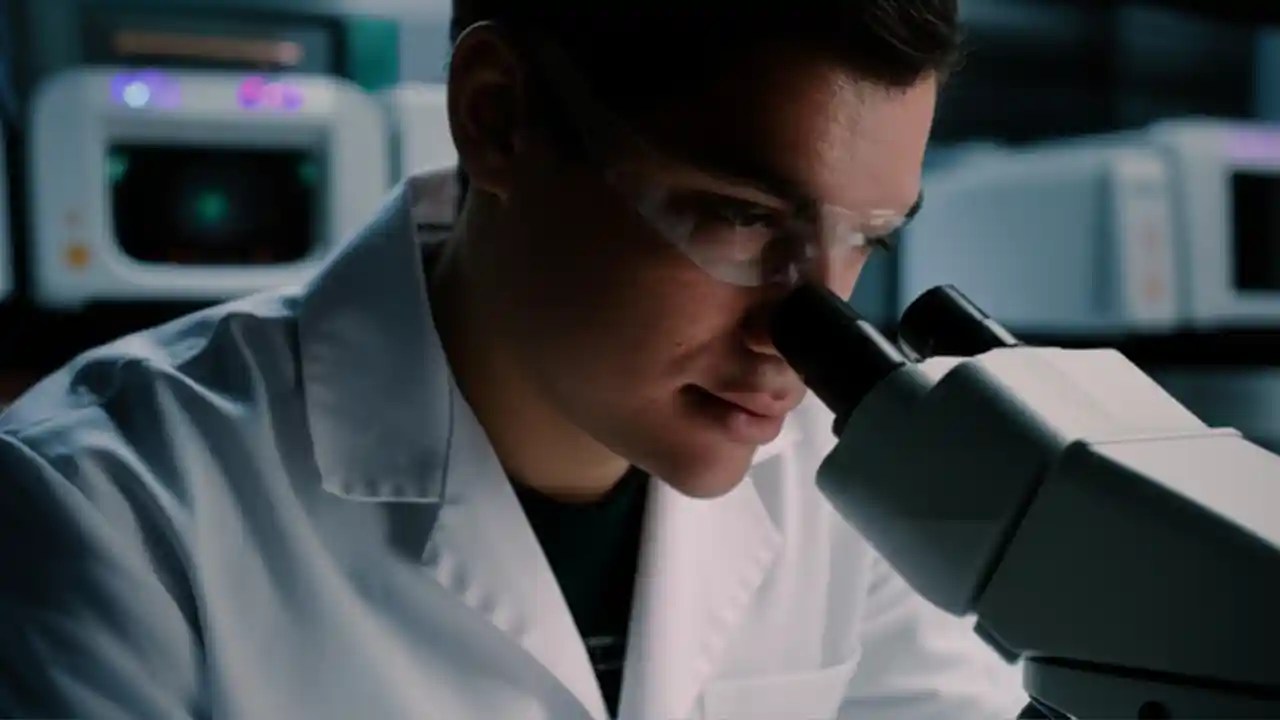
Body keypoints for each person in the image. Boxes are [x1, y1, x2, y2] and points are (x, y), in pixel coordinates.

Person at [0, 2, 1031, 718]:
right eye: (739, 217)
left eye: (867, 238)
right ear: (496, 119)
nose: (795, 340)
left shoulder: (830, 485)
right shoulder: (104, 505)